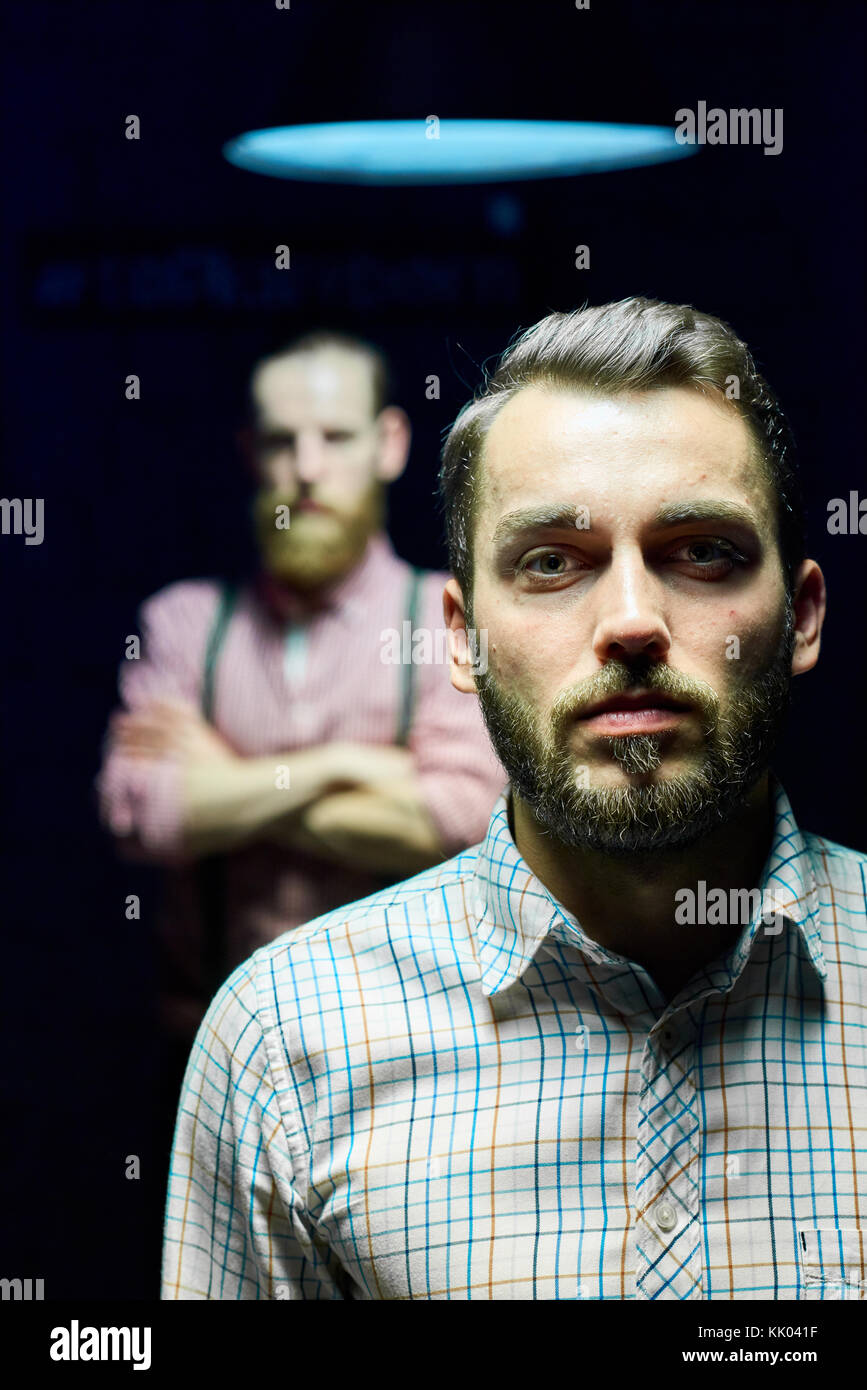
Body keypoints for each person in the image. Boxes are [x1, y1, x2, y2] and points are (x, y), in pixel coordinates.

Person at [162, 297, 865, 1302]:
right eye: (552, 562)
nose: (632, 622)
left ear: (799, 617)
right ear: (460, 636)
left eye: (702, 549)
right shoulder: (283, 1044)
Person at [95, 328, 505, 1089]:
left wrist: (226, 782)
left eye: (335, 437)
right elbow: (140, 813)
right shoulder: (184, 623)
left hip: (413, 1060)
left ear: (387, 443)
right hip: (208, 1060)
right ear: (251, 452)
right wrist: (347, 769)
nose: (307, 470)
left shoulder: (442, 618)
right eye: (283, 441)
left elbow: (462, 821)